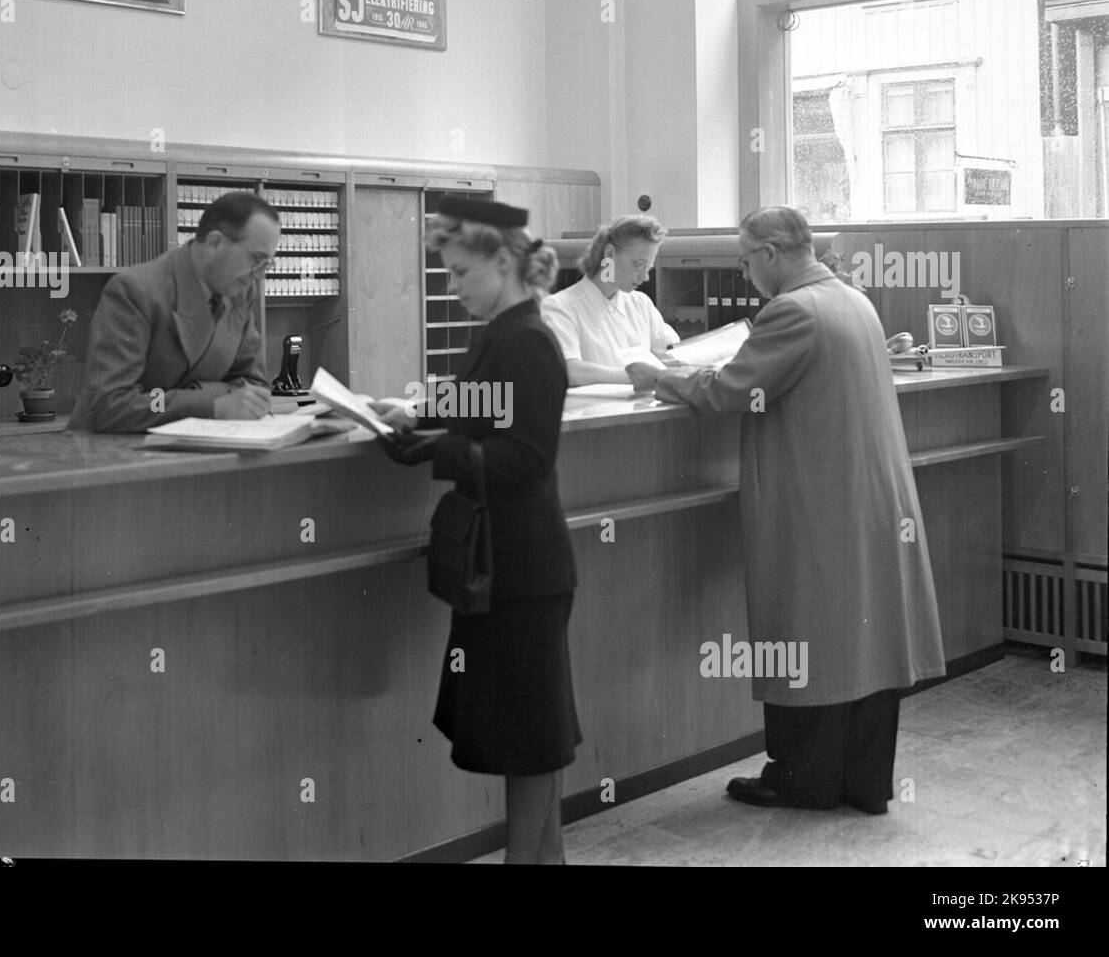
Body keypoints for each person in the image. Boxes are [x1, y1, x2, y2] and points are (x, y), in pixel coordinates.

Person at [628, 205, 946, 814]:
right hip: (870, 499)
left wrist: (657, 377)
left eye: (746, 261)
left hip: (819, 504)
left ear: (772, 253)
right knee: (870, 639)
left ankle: (802, 780)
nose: (746, 274)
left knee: (810, 634)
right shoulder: (853, 301)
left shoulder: (792, 310)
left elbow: (728, 392)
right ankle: (863, 782)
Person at [373, 196, 581, 863]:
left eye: (462, 273)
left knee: (530, 743)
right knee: (525, 739)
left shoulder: (529, 339)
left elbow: (526, 457)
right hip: (509, 567)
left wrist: (437, 448)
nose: (455, 286)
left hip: (523, 568)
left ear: (502, 261)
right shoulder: (500, 329)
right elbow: (479, 404)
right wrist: (414, 413)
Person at [67, 191, 277, 433]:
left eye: (269, 264)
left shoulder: (240, 291)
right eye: (257, 259)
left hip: (198, 449)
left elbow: (253, 388)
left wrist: (169, 398)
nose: (260, 275)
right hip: (111, 456)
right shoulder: (135, 291)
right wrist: (209, 403)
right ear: (215, 243)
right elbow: (112, 404)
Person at [539, 214, 679, 386]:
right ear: (609, 254)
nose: (645, 277)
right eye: (638, 264)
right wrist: (635, 376)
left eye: (648, 267)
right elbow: (570, 370)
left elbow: (666, 354)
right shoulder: (559, 308)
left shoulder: (641, 303)